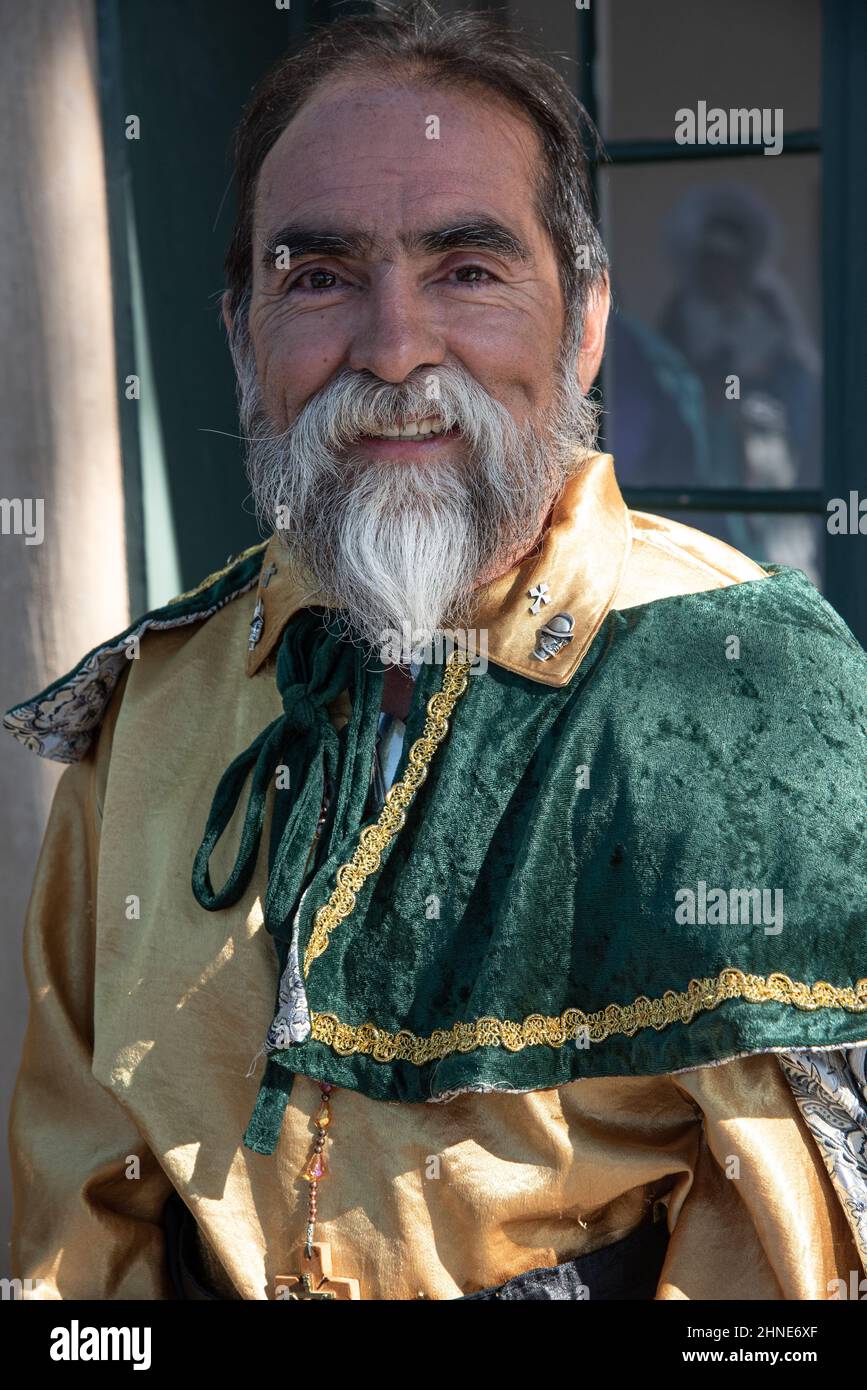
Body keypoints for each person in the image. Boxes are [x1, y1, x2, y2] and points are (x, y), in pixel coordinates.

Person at [5, 2, 866, 1301]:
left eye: (468, 270)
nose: (396, 349)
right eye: (319, 276)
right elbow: (76, 1227)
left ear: (583, 325)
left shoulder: (746, 698)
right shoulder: (156, 707)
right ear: (242, 338)